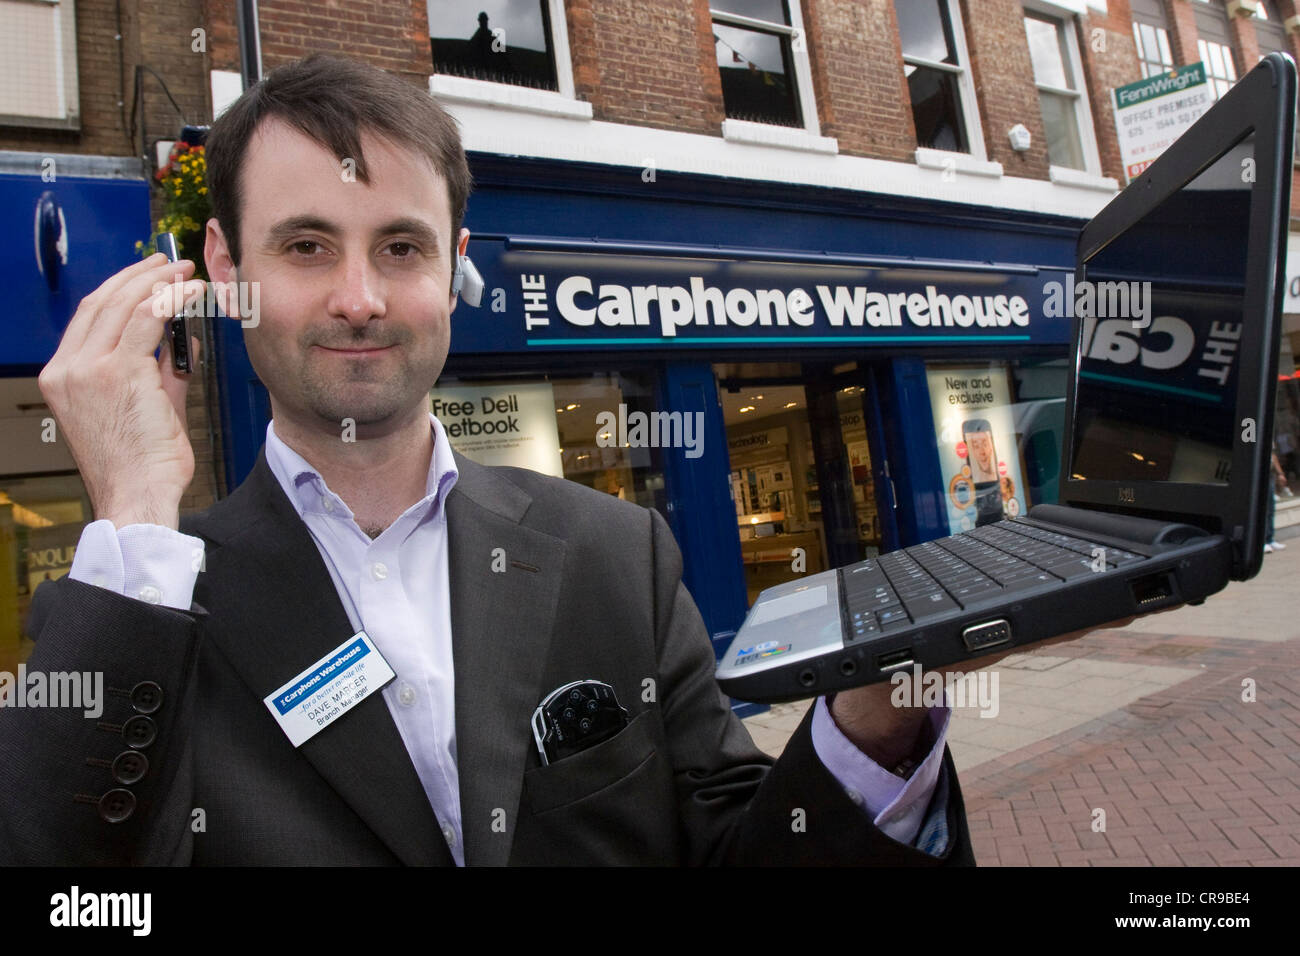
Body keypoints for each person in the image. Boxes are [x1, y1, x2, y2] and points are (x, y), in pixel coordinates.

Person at [0, 54, 1108, 866]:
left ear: (456, 268)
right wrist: (139, 510)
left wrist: (871, 719)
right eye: (304, 246)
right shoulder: (145, 601)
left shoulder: (614, 550)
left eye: (401, 246)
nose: (358, 296)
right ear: (222, 262)